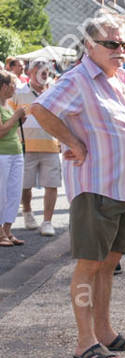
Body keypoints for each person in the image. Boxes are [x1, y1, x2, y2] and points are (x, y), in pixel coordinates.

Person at [29, 11, 125, 358]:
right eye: (111, 43)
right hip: (95, 187)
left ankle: (105, 333)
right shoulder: (78, 78)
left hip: (123, 188)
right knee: (88, 265)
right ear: (89, 45)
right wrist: (73, 143)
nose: (119, 50)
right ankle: (85, 341)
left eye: (123, 43)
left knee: (109, 263)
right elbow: (40, 108)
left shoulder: (117, 79)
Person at [12, 58, 62, 235]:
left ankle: (47, 221)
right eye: (40, 72)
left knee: (52, 184)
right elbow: (9, 116)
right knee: (25, 185)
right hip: (26, 145)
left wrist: (63, 141)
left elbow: (62, 117)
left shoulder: (54, 92)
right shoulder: (18, 92)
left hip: (51, 144)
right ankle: (27, 211)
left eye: (46, 73)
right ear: (30, 73)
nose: (44, 75)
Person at [0, 69, 25, 248]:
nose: (14, 88)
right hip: (3, 154)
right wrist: (16, 116)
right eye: (12, 85)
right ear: (3, 86)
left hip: (15, 153)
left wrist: (19, 120)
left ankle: (7, 229)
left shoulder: (7, 105)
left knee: (14, 193)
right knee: (1, 194)